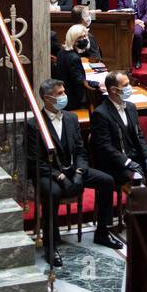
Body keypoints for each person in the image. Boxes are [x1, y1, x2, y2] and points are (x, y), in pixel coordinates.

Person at [26, 79, 121, 265]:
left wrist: (78, 173)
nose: (64, 96)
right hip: (49, 173)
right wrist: (60, 177)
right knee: (52, 193)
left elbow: (80, 150)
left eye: (63, 92)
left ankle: (102, 232)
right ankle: (50, 245)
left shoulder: (71, 118)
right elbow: (34, 161)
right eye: (60, 93)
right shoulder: (34, 124)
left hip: (73, 169)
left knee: (107, 181)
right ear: (47, 98)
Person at [92, 71, 147, 188]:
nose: (130, 88)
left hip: (138, 157)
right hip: (118, 163)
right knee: (138, 179)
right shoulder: (101, 113)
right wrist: (127, 162)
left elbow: (140, 135)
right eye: (126, 85)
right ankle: (140, 205)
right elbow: (105, 147)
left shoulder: (131, 107)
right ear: (113, 90)